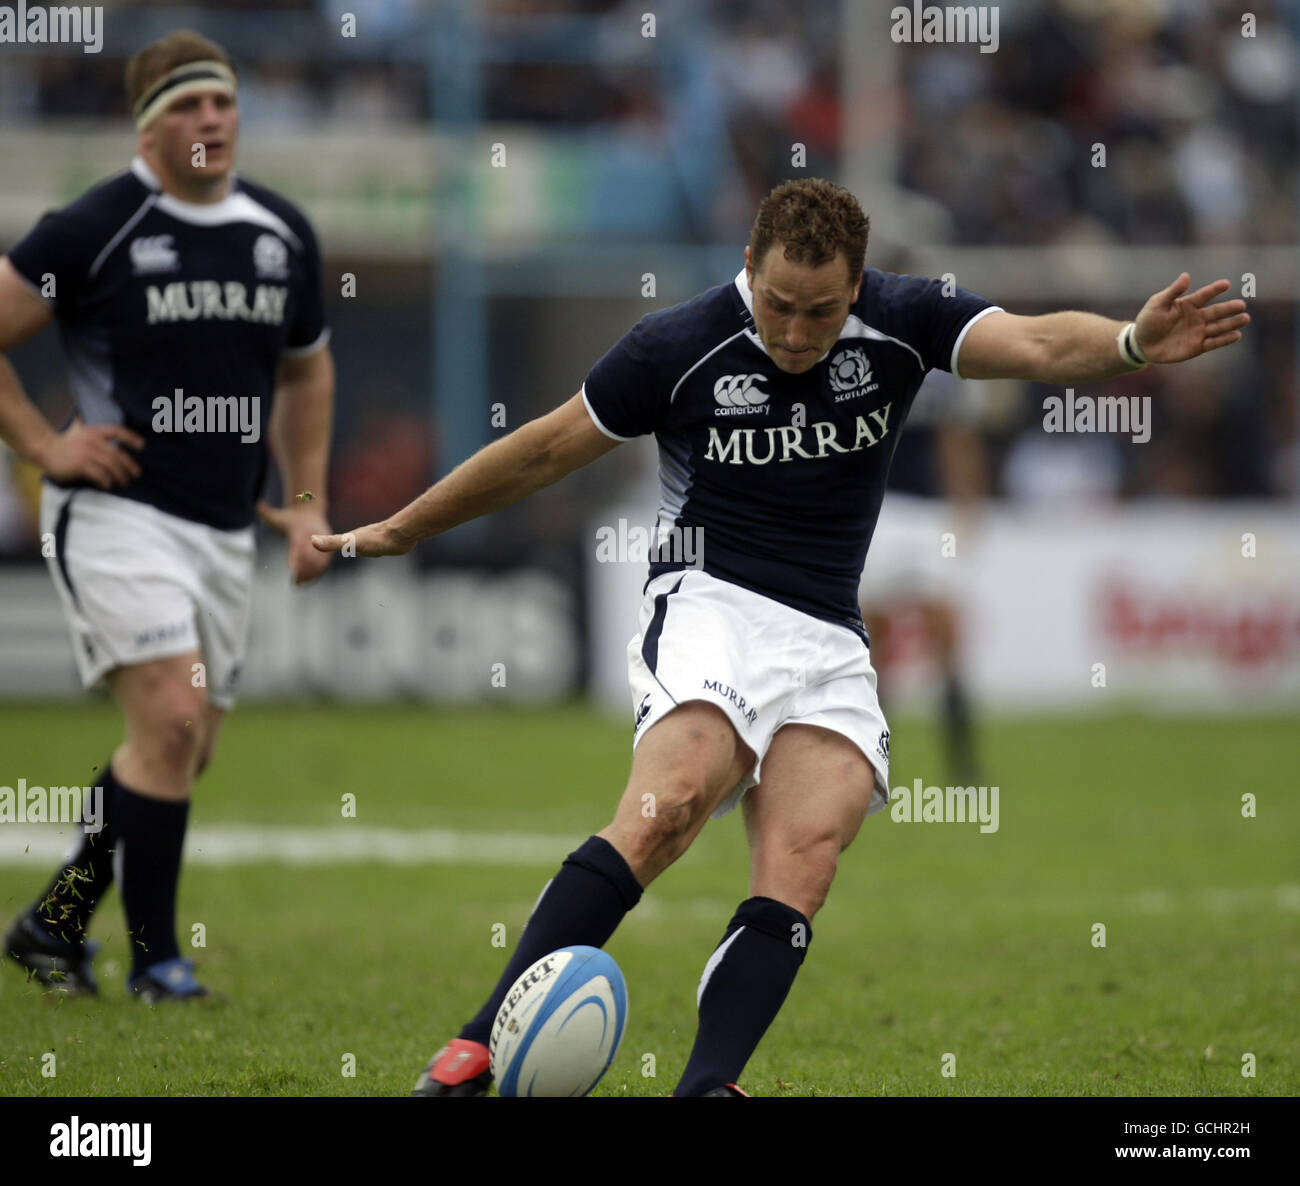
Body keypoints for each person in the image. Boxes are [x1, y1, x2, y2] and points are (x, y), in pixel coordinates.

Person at [312, 177, 1248, 1096]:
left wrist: (1130, 342)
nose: (798, 334)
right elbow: (546, 449)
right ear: (747, 266)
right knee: (669, 804)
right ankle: (477, 1047)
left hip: (828, 634)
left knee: (805, 853)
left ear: (860, 284)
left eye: (823, 312)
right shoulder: (673, 346)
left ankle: (710, 1085)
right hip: (708, 600)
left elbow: (1038, 341)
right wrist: (399, 528)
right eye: (778, 305)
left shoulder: (907, 316)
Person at [0, 30, 334, 1002]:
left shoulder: (280, 233)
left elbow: (307, 369)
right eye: (187, 106)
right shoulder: (93, 227)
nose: (212, 120)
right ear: (148, 128)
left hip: (226, 528)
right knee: (174, 718)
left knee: (182, 746)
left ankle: (52, 926)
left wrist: (308, 501)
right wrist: (43, 443)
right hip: (115, 514)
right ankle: (158, 959)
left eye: (222, 102)